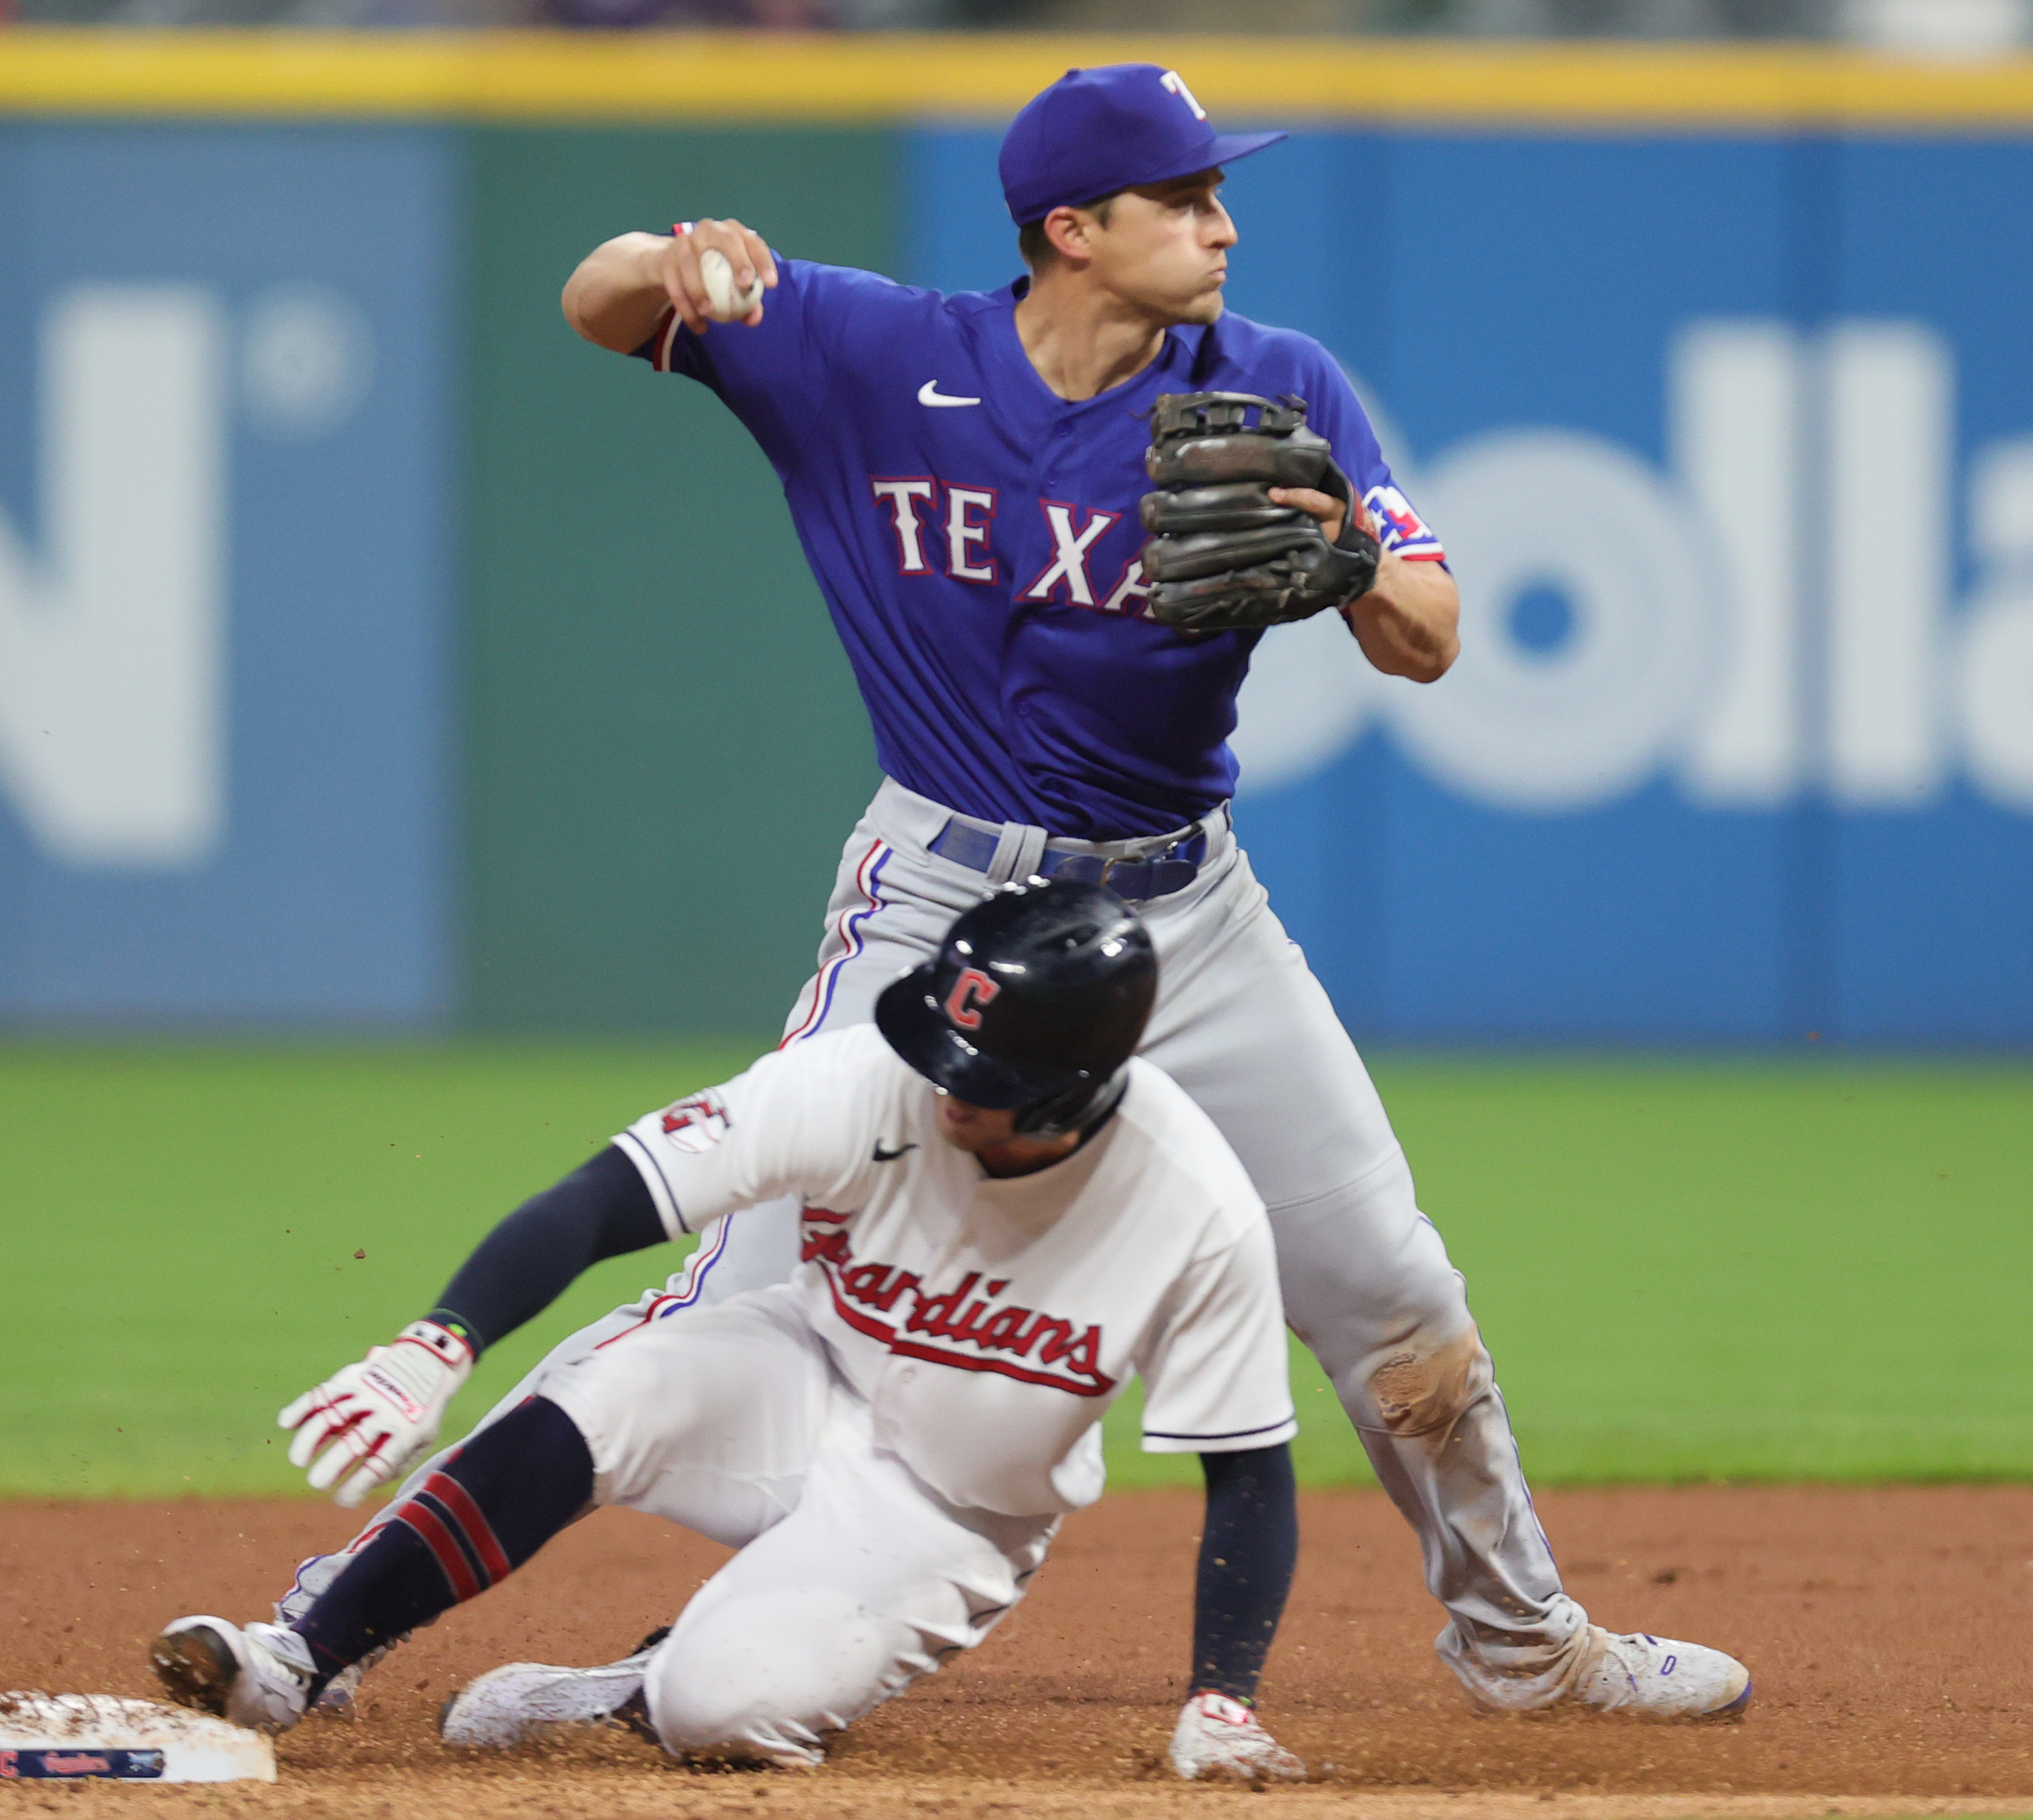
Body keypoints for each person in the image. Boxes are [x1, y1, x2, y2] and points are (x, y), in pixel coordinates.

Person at [268, 63, 1750, 1722]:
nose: (1220, 222)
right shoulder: (873, 353)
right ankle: (329, 1613)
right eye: (1182, 197)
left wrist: (1346, 566)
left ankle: (1520, 1637)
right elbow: (592, 300)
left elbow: (1429, 633)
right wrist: (671, 259)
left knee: (1388, 1285)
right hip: (937, 905)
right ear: (1071, 230)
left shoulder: (1277, 384)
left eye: (1216, 189)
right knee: (727, 1281)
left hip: (1185, 913)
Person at [151, 882, 1311, 1779]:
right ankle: (299, 1659)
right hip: (805, 1372)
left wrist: (1224, 1700)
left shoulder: (1194, 1208)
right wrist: (441, 1340)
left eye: (985, 1071)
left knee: (726, 1710)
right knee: (607, 1391)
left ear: (1075, 1087)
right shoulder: (870, 1081)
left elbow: (1250, 1474)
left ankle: (630, 1693)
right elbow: (608, 1196)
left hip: (954, 1506)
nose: (944, 1082)